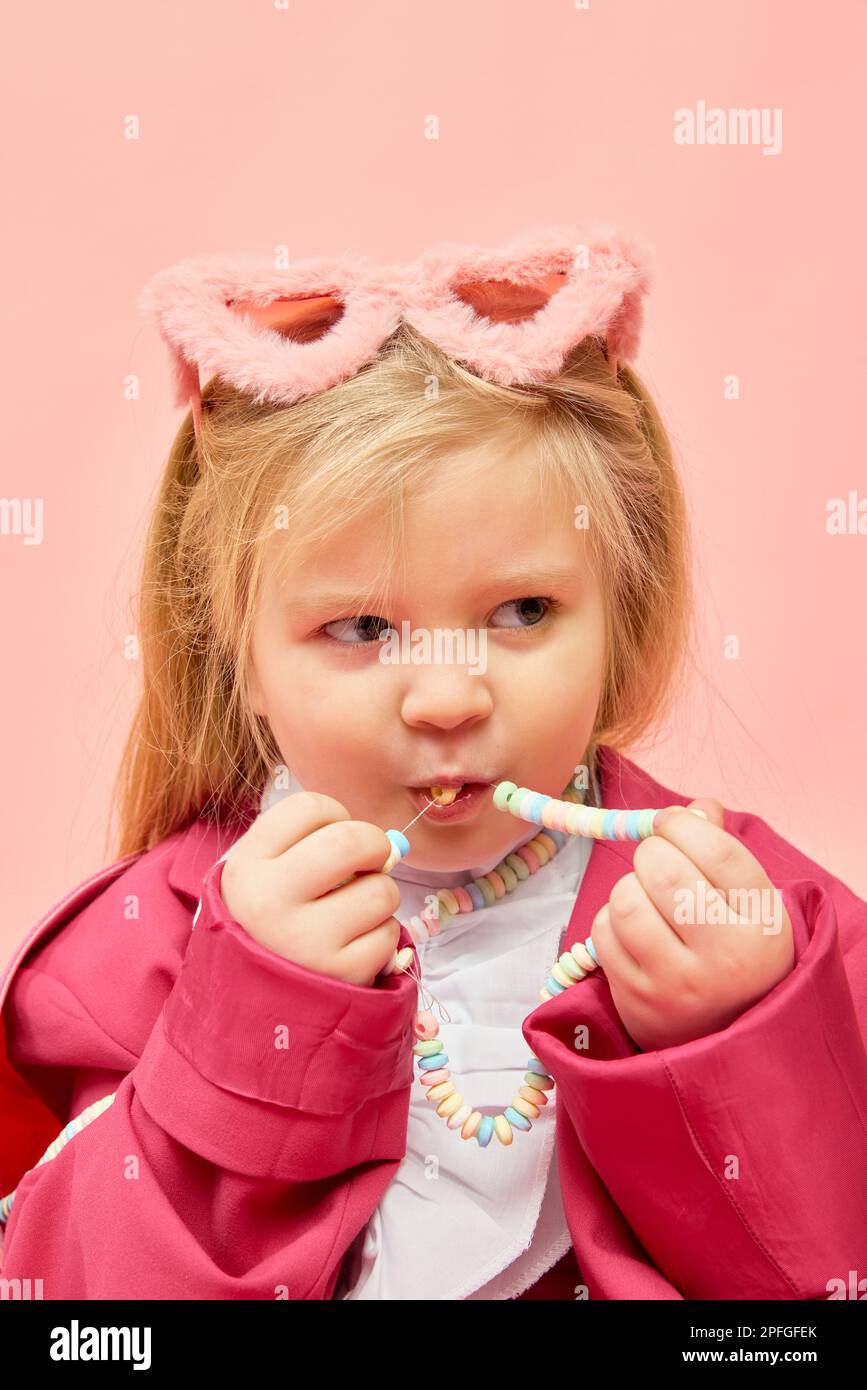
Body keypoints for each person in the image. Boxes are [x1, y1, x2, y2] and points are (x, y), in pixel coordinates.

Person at [1, 226, 865, 1300]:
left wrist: (741, 1049)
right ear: (242, 656)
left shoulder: (768, 929)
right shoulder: (139, 960)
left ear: (620, 612)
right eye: (361, 627)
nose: (450, 696)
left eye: (521, 611)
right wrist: (244, 1053)